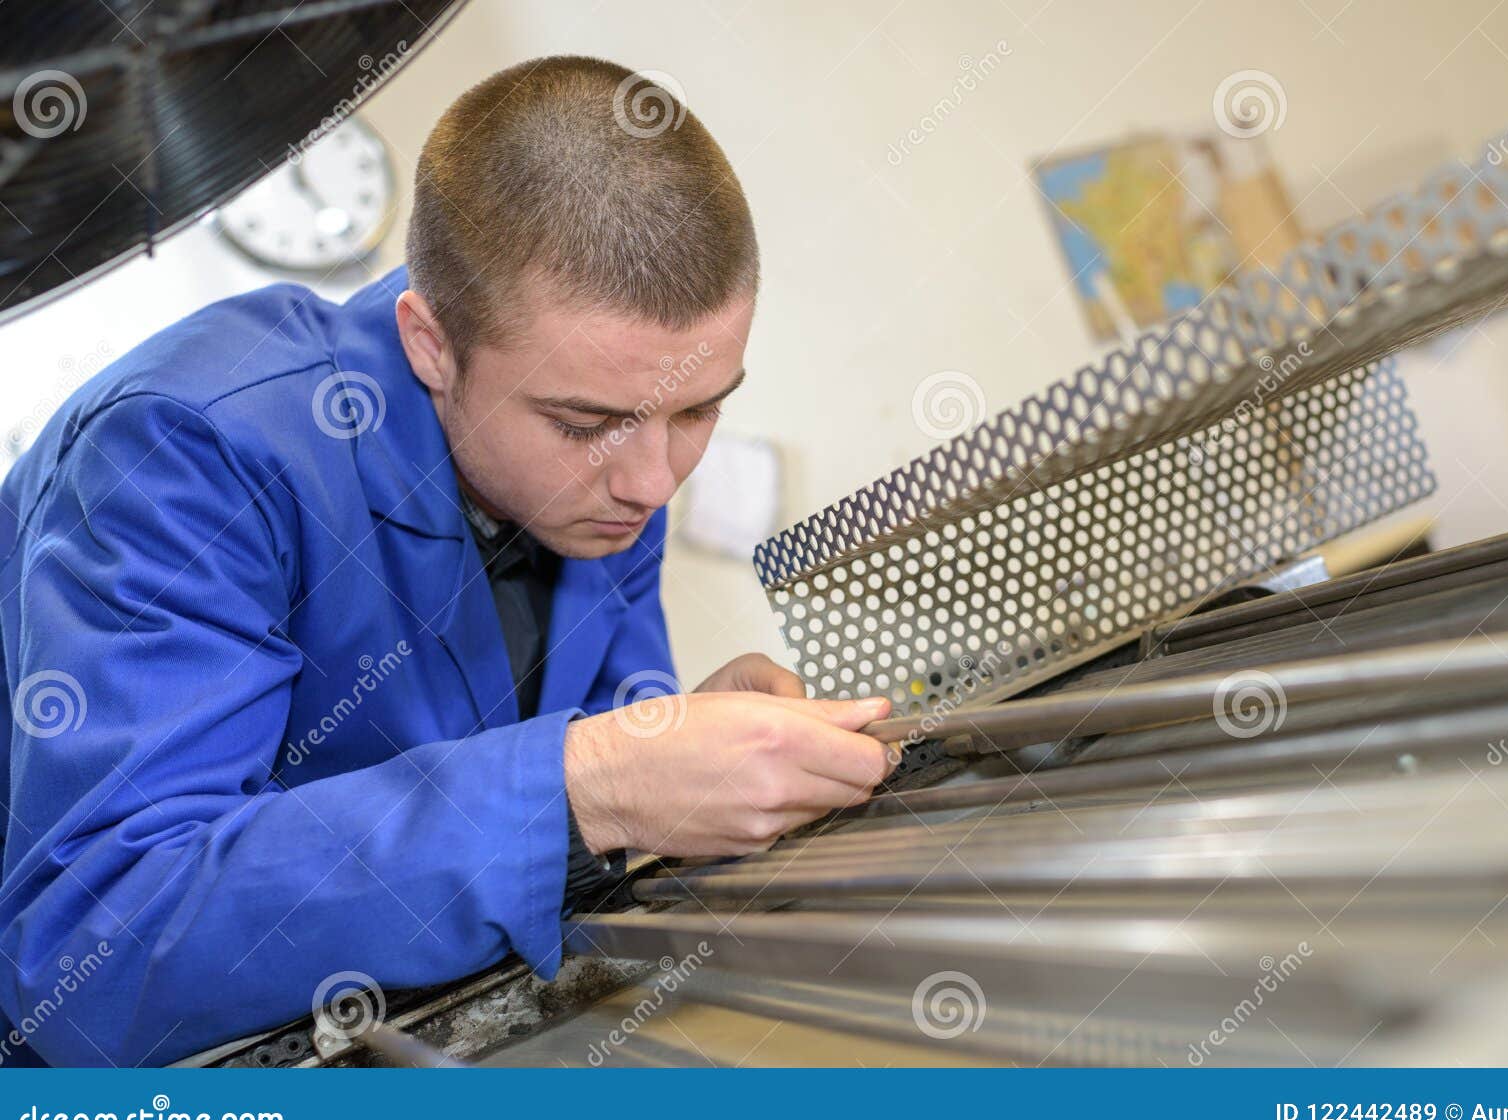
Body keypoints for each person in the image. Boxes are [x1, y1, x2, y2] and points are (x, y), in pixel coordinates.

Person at [0, 55, 894, 1067]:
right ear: (430, 343)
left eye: (699, 410)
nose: (653, 483)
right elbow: (94, 958)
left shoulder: (604, 478)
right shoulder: (191, 449)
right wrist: (590, 786)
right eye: (584, 424)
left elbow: (586, 760)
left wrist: (673, 751)